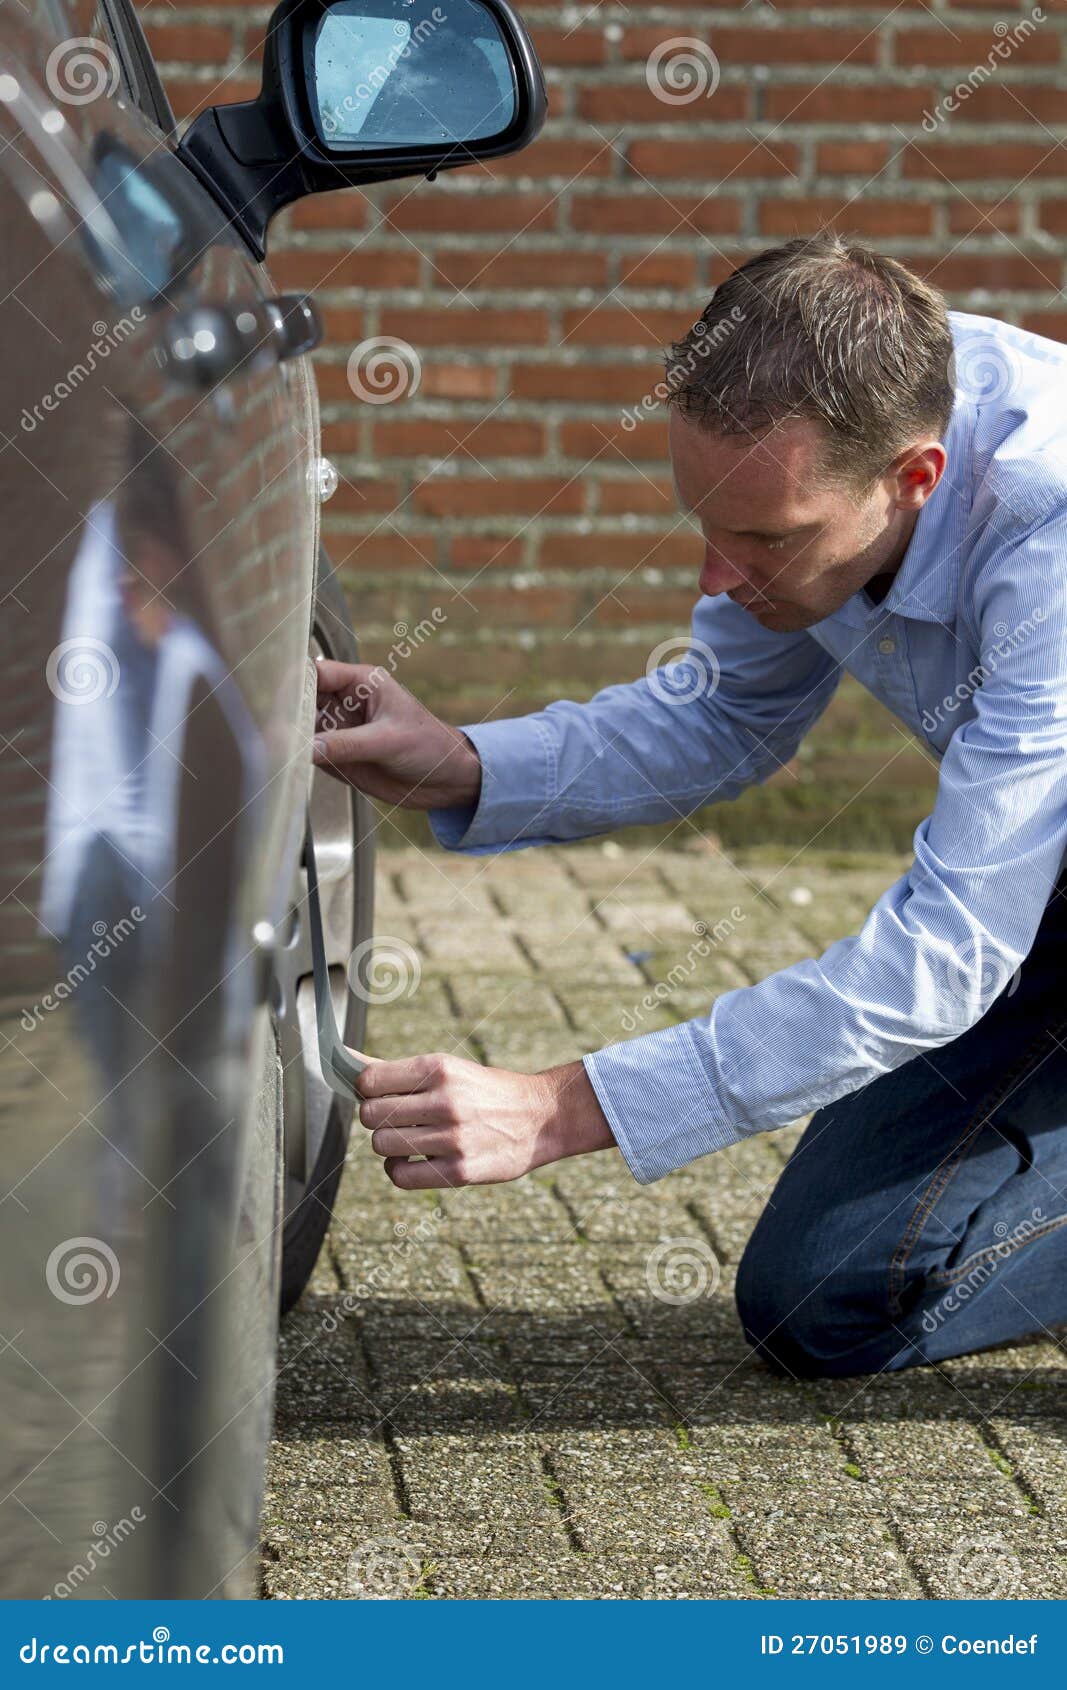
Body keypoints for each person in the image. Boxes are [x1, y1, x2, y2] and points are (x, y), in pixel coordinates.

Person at [313, 235, 1067, 1376]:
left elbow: (949, 950)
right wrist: (458, 762)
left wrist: (565, 1105)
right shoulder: (849, 419)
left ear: (914, 479)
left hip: (1009, 923)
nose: (717, 576)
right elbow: (724, 715)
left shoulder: (1047, 534)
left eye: (764, 539)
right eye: (703, 522)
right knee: (821, 1287)